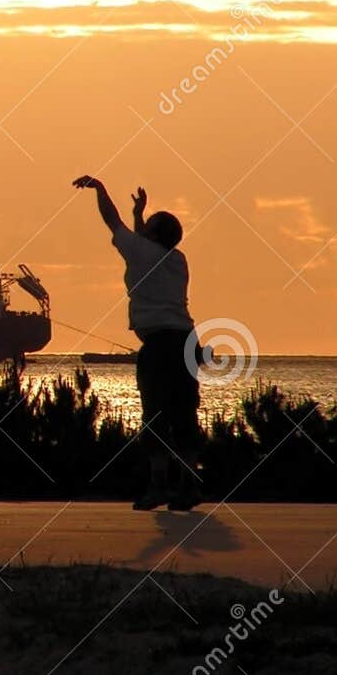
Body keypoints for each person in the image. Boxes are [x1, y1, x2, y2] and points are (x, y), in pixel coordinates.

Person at [72, 176, 201, 511]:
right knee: (185, 415)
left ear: (154, 235)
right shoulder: (177, 259)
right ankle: (187, 485)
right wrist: (141, 216)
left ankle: (158, 486)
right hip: (186, 342)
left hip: (159, 346)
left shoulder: (143, 253)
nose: (142, 229)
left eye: (148, 225)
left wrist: (100, 188)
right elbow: (145, 240)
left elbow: (110, 221)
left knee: (154, 416)